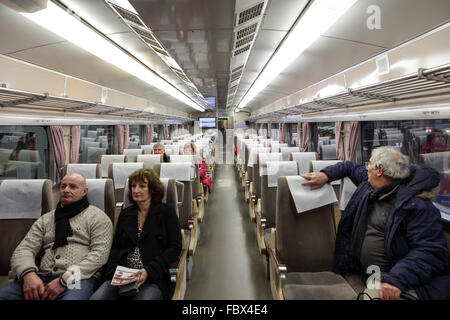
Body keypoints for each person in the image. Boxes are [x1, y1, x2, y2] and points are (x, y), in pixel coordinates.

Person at [302, 146, 450, 300]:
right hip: (366, 272)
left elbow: (430, 251)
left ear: (379, 170)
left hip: (397, 280)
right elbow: (349, 167)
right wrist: (326, 174)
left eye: (369, 164)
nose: (366, 167)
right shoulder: (369, 186)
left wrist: (396, 281)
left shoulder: (417, 206)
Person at [0, 173, 113, 300]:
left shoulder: (98, 217)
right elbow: (24, 249)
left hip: (78, 278)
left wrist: (64, 280)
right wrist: (28, 275)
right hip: (41, 277)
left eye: (73, 187)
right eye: (63, 186)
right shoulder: (46, 219)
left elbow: (99, 256)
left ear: (84, 191)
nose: (66, 190)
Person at [90, 168, 182, 300]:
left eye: (142, 186)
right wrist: (115, 272)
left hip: (152, 277)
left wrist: (148, 271)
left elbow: (175, 247)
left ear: (153, 189)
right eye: (133, 186)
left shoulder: (166, 212)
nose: (135, 190)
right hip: (123, 275)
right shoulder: (126, 213)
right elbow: (115, 247)